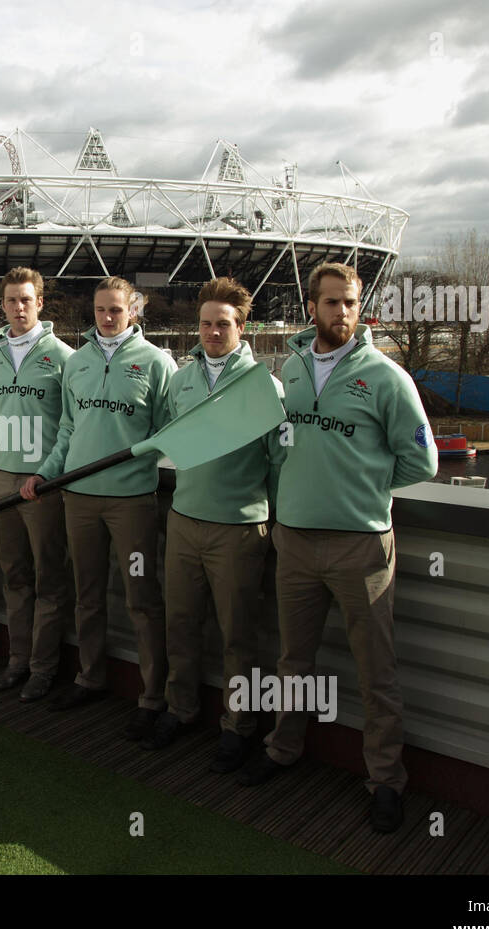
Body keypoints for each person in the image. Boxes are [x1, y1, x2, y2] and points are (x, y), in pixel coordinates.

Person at [237, 262, 438, 836]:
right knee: (293, 660)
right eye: (332, 303)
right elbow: (281, 447)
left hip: (361, 545)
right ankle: (282, 748)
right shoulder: (290, 369)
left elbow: (420, 461)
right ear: (312, 307)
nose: (343, 313)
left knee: (377, 671)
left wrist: (362, 489)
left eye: (350, 303)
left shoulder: (386, 377)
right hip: (295, 539)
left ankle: (385, 781)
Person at [21, 276, 173, 740]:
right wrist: (46, 472)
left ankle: (153, 697)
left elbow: (169, 433)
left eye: (117, 310)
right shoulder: (79, 361)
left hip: (132, 505)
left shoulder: (156, 363)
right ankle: (90, 677)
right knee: (88, 595)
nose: (108, 318)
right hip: (79, 499)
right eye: (101, 310)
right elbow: (68, 428)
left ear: (134, 311)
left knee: (142, 600)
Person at [150, 277, 284, 765]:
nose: (211, 332)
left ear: (241, 327)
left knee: (237, 636)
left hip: (239, 529)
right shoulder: (182, 379)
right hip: (185, 520)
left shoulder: (263, 387)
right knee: (180, 625)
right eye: (205, 323)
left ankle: (239, 726)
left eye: (222, 324)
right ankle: (181, 709)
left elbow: (278, 463)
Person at [0, 267, 74, 702]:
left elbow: (71, 427)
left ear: (40, 302)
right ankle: (17, 660)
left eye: (26, 299)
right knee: (14, 575)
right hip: (0, 476)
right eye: (10, 300)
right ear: (2, 305)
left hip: (44, 483)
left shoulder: (63, 356)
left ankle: (43, 667)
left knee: (49, 578)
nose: (18, 308)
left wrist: (46, 472)